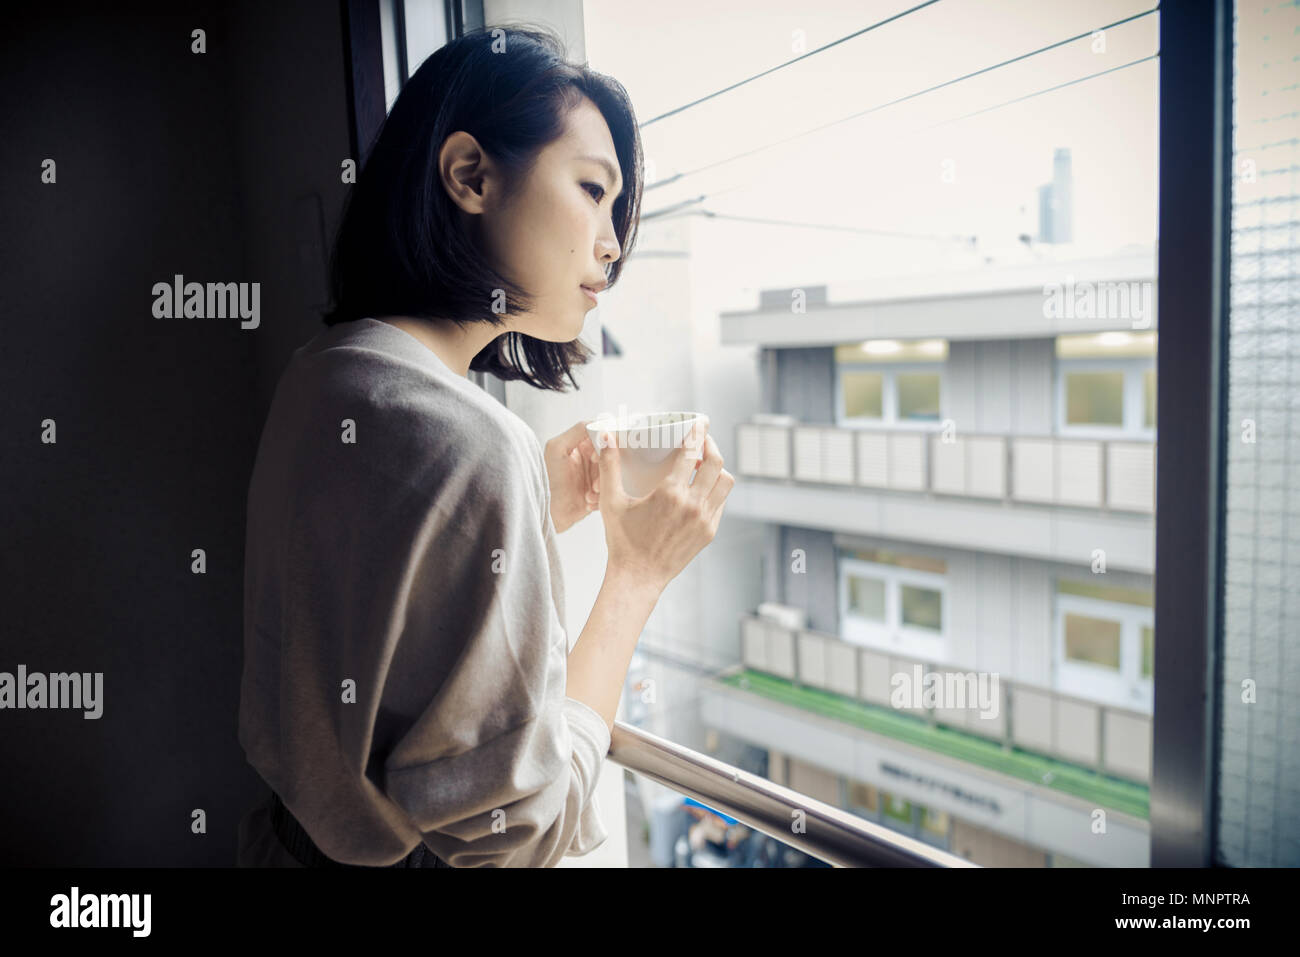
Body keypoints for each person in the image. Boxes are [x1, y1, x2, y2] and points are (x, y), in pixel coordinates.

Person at [235, 23, 734, 868]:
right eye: (591, 189)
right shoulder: (474, 443)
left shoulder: (322, 374)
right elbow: (519, 838)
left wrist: (527, 499)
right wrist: (637, 576)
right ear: (470, 175)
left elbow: (372, 593)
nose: (612, 242)